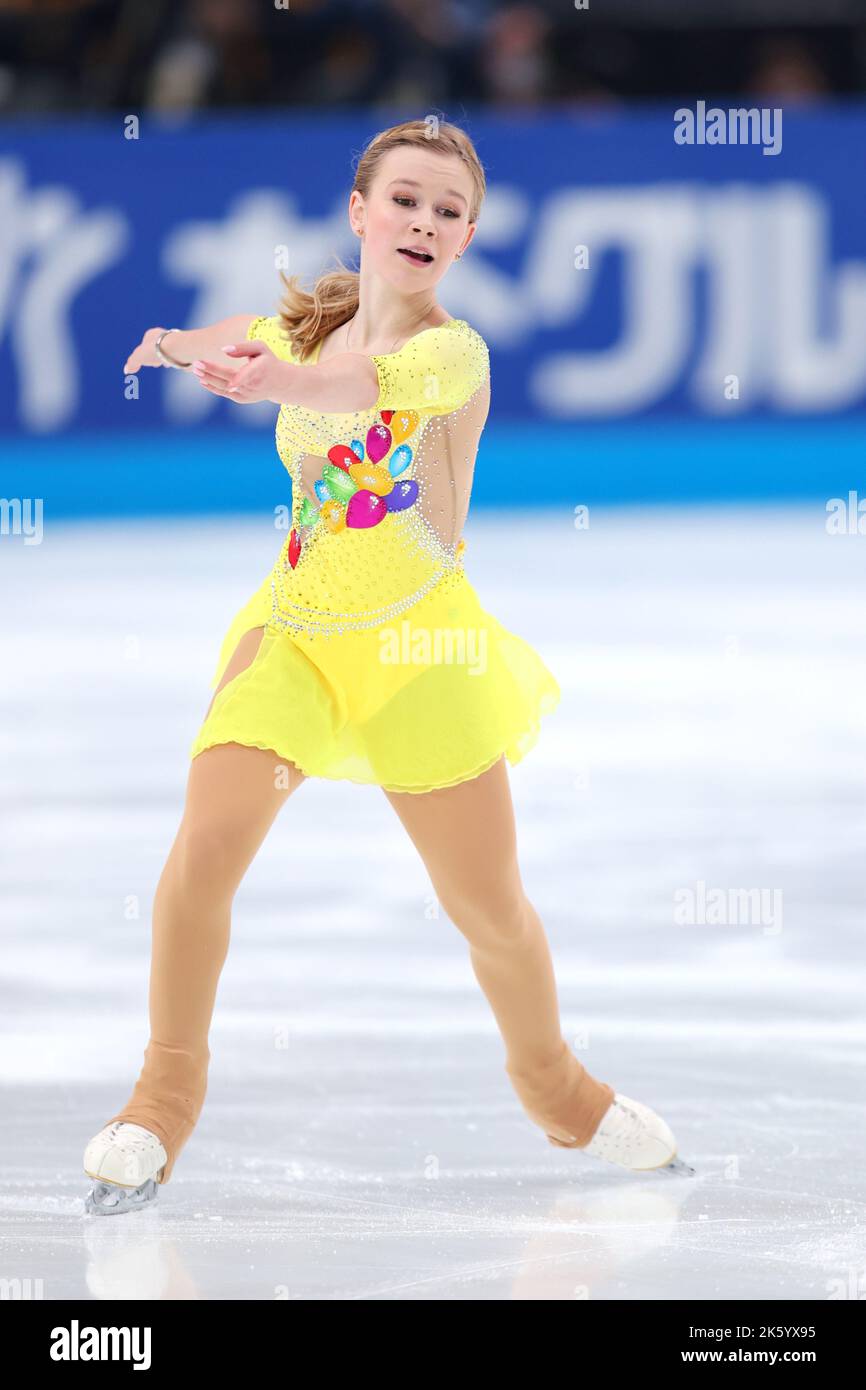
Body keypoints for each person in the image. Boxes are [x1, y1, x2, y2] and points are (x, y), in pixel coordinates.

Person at [84, 119, 690, 1214]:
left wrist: (271, 377)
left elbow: (352, 387)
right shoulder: (302, 324)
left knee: (488, 908)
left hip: (419, 649)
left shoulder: (453, 353)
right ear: (359, 213)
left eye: (446, 210)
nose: (423, 220)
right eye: (403, 199)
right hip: (294, 630)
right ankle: (158, 1105)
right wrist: (175, 343)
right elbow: (255, 337)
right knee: (206, 844)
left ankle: (556, 1088)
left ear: (466, 237)